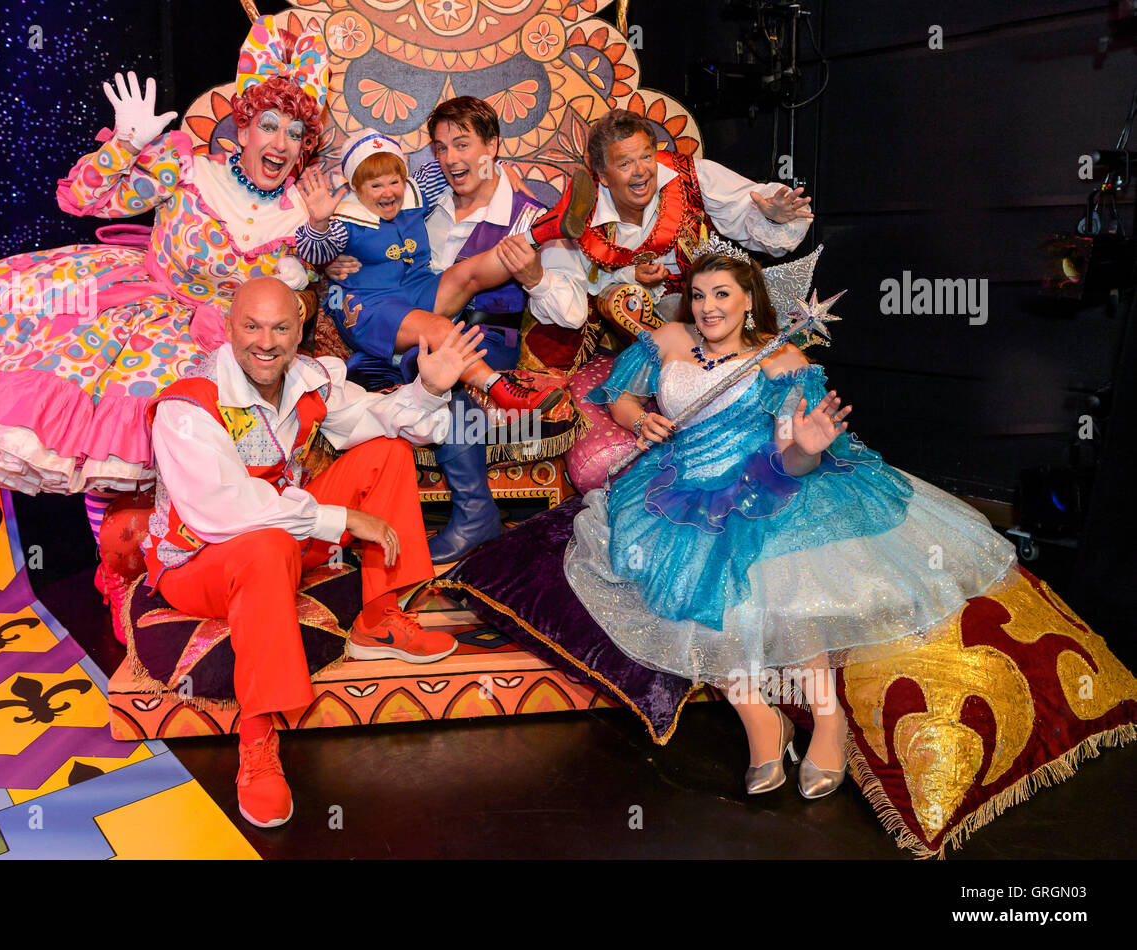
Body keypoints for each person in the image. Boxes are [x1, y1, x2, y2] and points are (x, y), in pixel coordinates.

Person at [563, 246, 1018, 798]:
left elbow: (792, 457)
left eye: (722, 294)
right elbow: (623, 401)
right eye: (699, 294)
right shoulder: (665, 341)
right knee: (692, 591)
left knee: (788, 589)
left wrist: (805, 451)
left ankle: (828, 721)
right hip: (680, 484)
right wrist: (642, 419)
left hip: (766, 479)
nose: (708, 307)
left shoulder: (786, 362)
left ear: (750, 300)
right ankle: (761, 721)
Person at [0, 16, 328, 542]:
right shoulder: (188, 170)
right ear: (245, 130)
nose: (280, 142)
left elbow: (302, 301)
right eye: (269, 126)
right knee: (105, 451)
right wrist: (125, 141)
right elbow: (82, 200)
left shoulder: (308, 209)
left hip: (230, 346)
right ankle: (118, 575)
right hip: (140, 314)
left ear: (304, 148)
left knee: (213, 471)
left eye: (295, 133)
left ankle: (183, 568)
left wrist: (321, 234)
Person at [144, 276, 486, 828]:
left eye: (280, 327)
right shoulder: (189, 405)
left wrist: (426, 390)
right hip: (201, 560)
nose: (266, 341)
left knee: (389, 453)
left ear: (299, 329)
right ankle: (257, 739)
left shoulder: (308, 378)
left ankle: (380, 618)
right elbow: (222, 510)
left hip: (286, 535)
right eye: (251, 326)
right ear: (229, 327)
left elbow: (374, 419)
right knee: (261, 544)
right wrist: (339, 518)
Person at [321, 97, 591, 562]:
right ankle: (361, 522)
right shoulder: (422, 205)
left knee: (446, 382)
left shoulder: (526, 211)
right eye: (441, 147)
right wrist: (335, 264)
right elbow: (370, 251)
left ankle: (474, 514)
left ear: (493, 146)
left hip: (488, 341)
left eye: (462, 145)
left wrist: (535, 277)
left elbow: (573, 314)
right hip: (413, 322)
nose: (449, 159)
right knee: (398, 366)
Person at [293, 128, 591, 417]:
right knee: (440, 328)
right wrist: (319, 224)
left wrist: (496, 167)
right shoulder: (347, 218)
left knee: (467, 272)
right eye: (375, 186)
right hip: (372, 306)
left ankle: (547, 229)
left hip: (416, 287)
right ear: (357, 189)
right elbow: (314, 251)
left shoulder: (414, 194)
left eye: (394, 181)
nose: (388, 192)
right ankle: (504, 391)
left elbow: (454, 166)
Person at [539, 109, 816, 325]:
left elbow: (748, 206)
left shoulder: (690, 175)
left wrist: (773, 216)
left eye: (646, 156)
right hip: (642, 328)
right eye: (625, 163)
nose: (640, 171)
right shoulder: (581, 216)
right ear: (602, 176)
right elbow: (571, 301)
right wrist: (628, 276)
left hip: (716, 311)